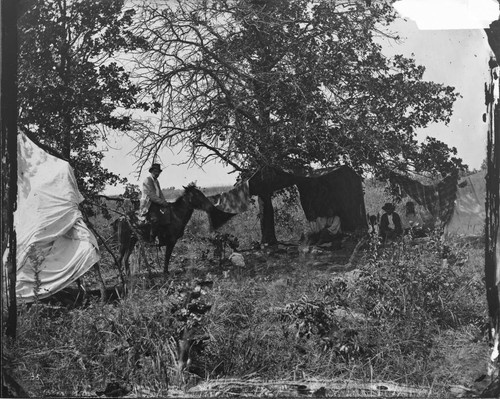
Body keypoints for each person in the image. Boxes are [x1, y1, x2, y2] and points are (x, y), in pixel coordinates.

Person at [139, 163, 169, 242]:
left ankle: (162, 237)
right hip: (148, 204)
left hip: (156, 203)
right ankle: (151, 239)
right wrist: (162, 203)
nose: (157, 173)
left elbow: (160, 193)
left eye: (158, 172)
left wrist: (165, 202)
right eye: (155, 171)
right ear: (151, 171)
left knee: (167, 217)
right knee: (155, 219)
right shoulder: (148, 180)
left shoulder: (156, 181)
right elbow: (151, 195)